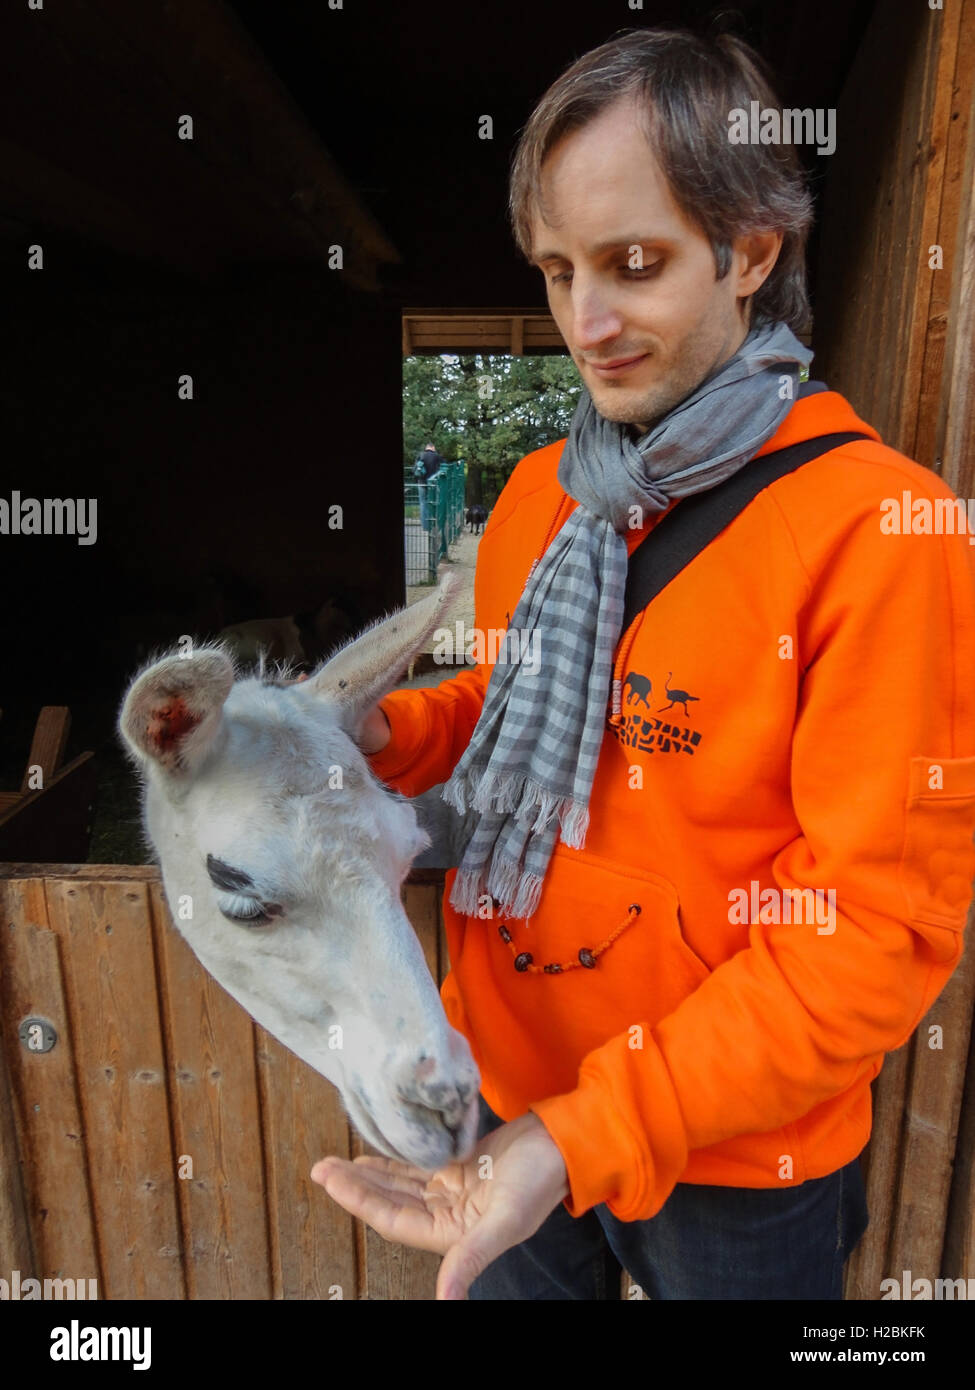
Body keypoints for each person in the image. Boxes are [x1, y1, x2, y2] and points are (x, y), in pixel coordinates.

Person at [311, 26, 975, 1301]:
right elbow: (504, 701)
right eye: (559, 271)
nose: (586, 322)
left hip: (731, 1153)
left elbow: (871, 933)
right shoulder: (544, 494)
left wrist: (586, 1134)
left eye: (634, 264)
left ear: (752, 254)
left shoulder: (880, 532)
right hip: (501, 1094)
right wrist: (391, 734)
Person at [416, 441, 444, 532]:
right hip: (432, 483)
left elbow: (414, 469)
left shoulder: (420, 455)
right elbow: (444, 465)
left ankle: (425, 526)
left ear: (426, 447)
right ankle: (433, 524)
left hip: (421, 482)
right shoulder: (436, 456)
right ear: (432, 447)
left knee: (423, 504)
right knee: (433, 502)